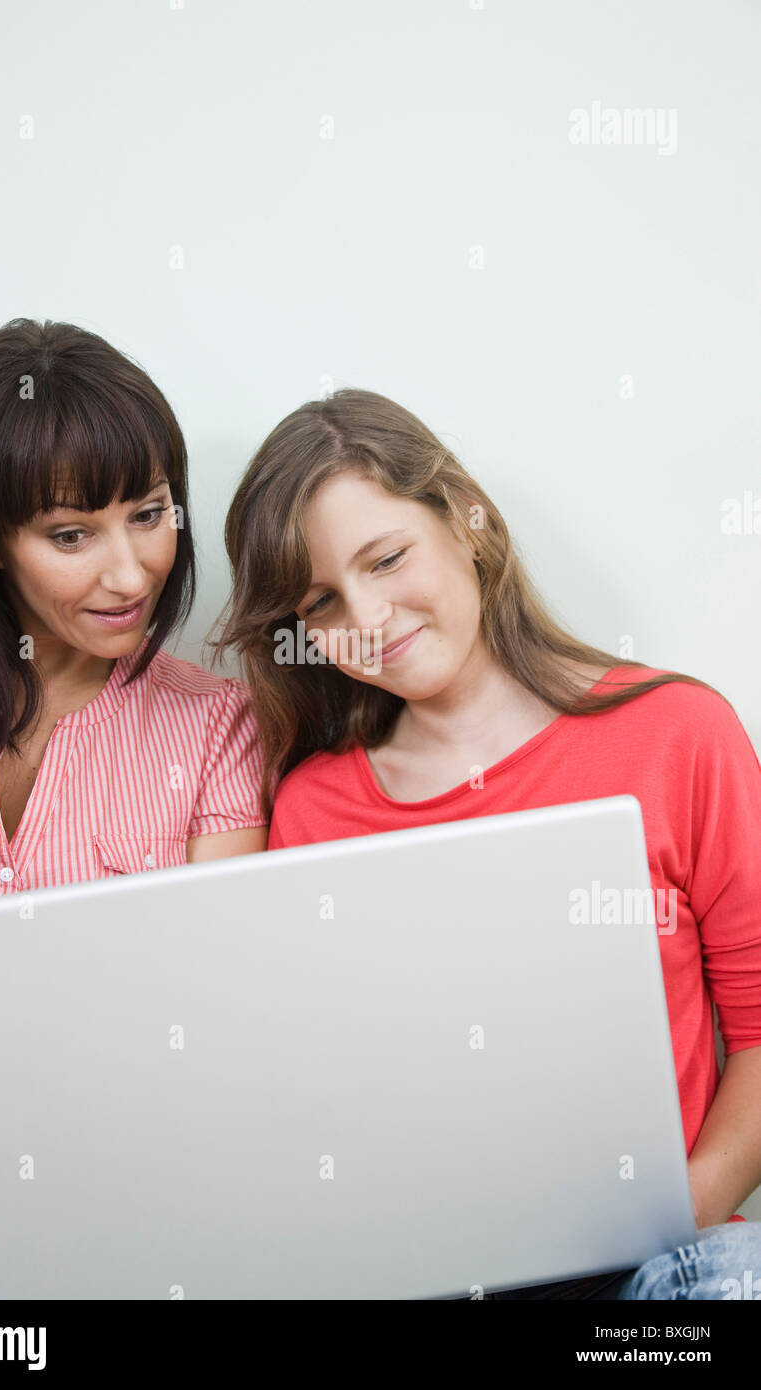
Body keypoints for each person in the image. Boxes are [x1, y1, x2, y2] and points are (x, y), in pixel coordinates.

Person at [212, 386, 761, 1300]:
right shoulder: (312, 807)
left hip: (669, 1259)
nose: (371, 619)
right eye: (322, 602)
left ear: (465, 519)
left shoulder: (681, 735)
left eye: (387, 559)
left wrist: (670, 1216)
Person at [0, 319, 268, 1299]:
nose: (131, 570)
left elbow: (217, 1004)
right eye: (72, 535)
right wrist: (9, 1156)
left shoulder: (213, 724)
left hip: (123, 1149)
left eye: (148, 513)